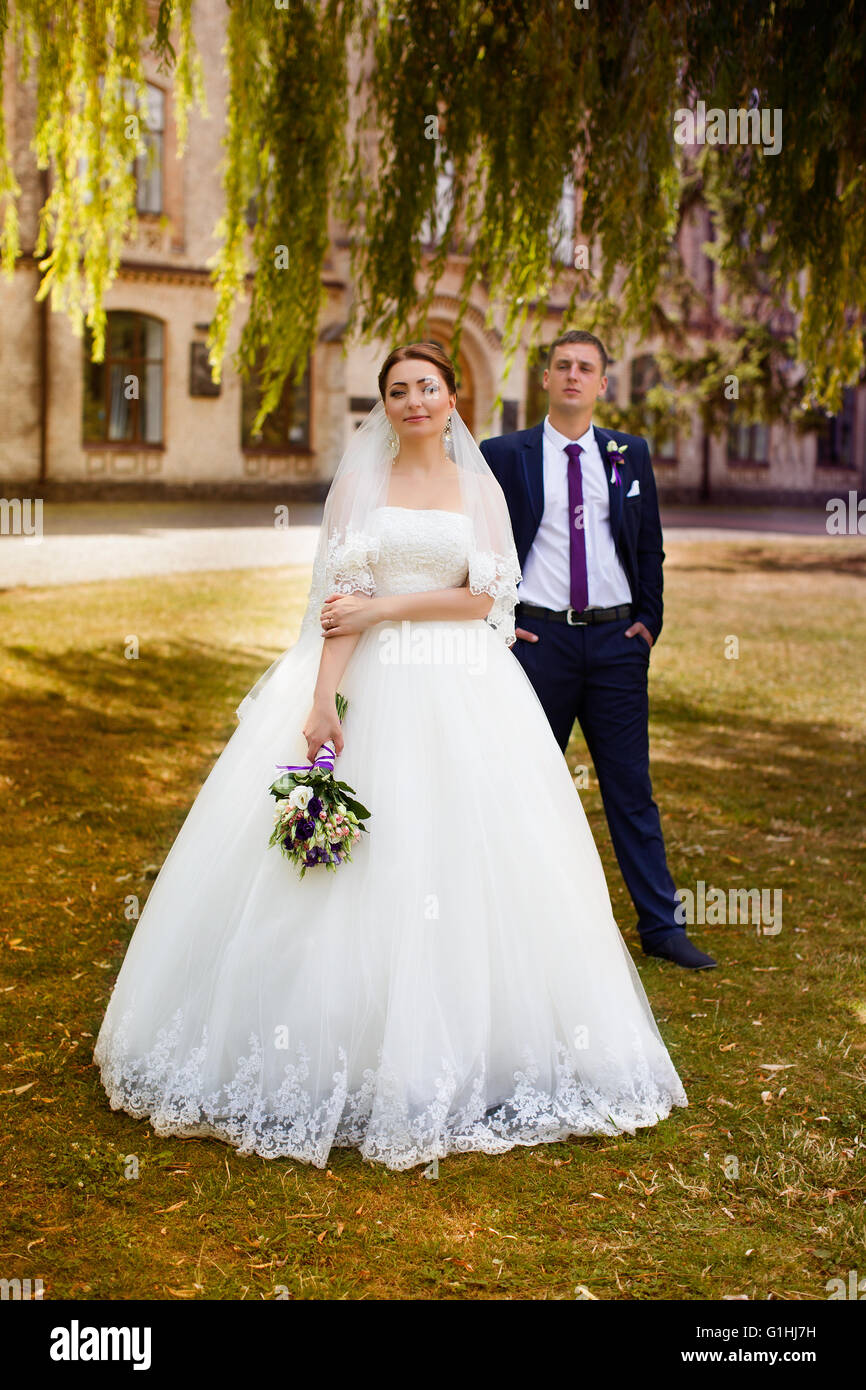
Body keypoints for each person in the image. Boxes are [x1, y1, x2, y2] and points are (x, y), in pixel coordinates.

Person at [93, 342, 687, 1173]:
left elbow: (485, 595)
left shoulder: (477, 485)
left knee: (464, 856)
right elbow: (333, 609)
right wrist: (323, 701)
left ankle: (483, 1042)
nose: (414, 401)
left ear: (452, 401)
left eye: (428, 389)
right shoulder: (359, 485)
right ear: (385, 406)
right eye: (399, 390)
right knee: (342, 870)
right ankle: (329, 1033)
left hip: (460, 682)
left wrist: (388, 609)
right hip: (367, 682)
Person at [480, 330, 716, 971]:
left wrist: (647, 625)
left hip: (616, 643)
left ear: (603, 383)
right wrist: (501, 622)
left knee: (630, 787)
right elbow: (480, 547)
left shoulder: (628, 453)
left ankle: (662, 927)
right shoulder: (504, 455)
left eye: (587, 368)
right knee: (525, 782)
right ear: (546, 377)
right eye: (563, 366)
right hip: (540, 641)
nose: (574, 376)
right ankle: (503, 917)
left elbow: (648, 547)